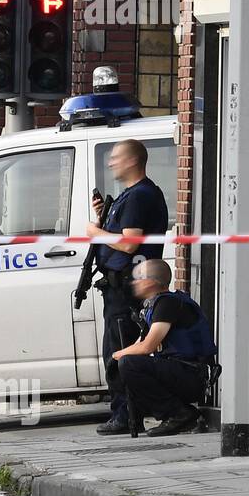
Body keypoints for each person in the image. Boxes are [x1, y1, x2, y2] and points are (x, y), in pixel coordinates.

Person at [86, 138, 169, 435]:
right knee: (121, 350)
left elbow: (130, 243)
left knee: (120, 352)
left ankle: (125, 415)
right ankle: (128, 411)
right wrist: (102, 220)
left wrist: (95, 231)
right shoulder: (132, 196)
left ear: (133, 160)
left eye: (116, 157)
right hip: (121, 287)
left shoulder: (139, 196)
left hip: (126, 288)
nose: (111, 163)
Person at [115, 259, 217, 436]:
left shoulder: (167, 304)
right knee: (127, 363)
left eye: (139, 277)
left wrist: (116, 355)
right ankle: (181, 414)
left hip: (193, 374)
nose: (135, 282)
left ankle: (179, 415)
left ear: (152, 281)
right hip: (181, 371)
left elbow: (147, 347)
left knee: (129, 364)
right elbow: (140, 344)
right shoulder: (154, 305)